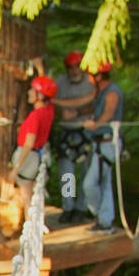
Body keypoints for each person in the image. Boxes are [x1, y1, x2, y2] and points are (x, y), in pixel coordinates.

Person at [51, 52, 97, 226]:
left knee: (87, 172)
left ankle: (81, 208)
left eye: (77, 66)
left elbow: (95, 103)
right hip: (67, 131)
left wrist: (76, 112)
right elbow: (51, 103)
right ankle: (68, 207)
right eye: (70, 67)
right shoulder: (61, 83)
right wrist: (61, 111)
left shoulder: (91, 82)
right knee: (67, 174)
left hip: (85, 131)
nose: (74, 70)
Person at [80, 63, 124, 234]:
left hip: (105, 143)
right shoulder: (97, 92)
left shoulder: (111, 92)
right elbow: (87, 104)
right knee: (97, 182)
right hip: (94, 143)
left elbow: (108, 112)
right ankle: (72, 209)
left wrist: (94, 125)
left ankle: (94, 214)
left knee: (88, 183)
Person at [8, 75, 57, 214]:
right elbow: (50, 94)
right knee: (35, 195)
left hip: (28, 157)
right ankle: (36, 226)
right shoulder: (49, 111)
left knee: (27, 196)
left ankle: (30, 228)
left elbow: (28, 144)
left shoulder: (35, 116)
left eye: (32, 90)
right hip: (39, 155)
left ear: (40, 95)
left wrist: (15, 168)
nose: (29, 92)